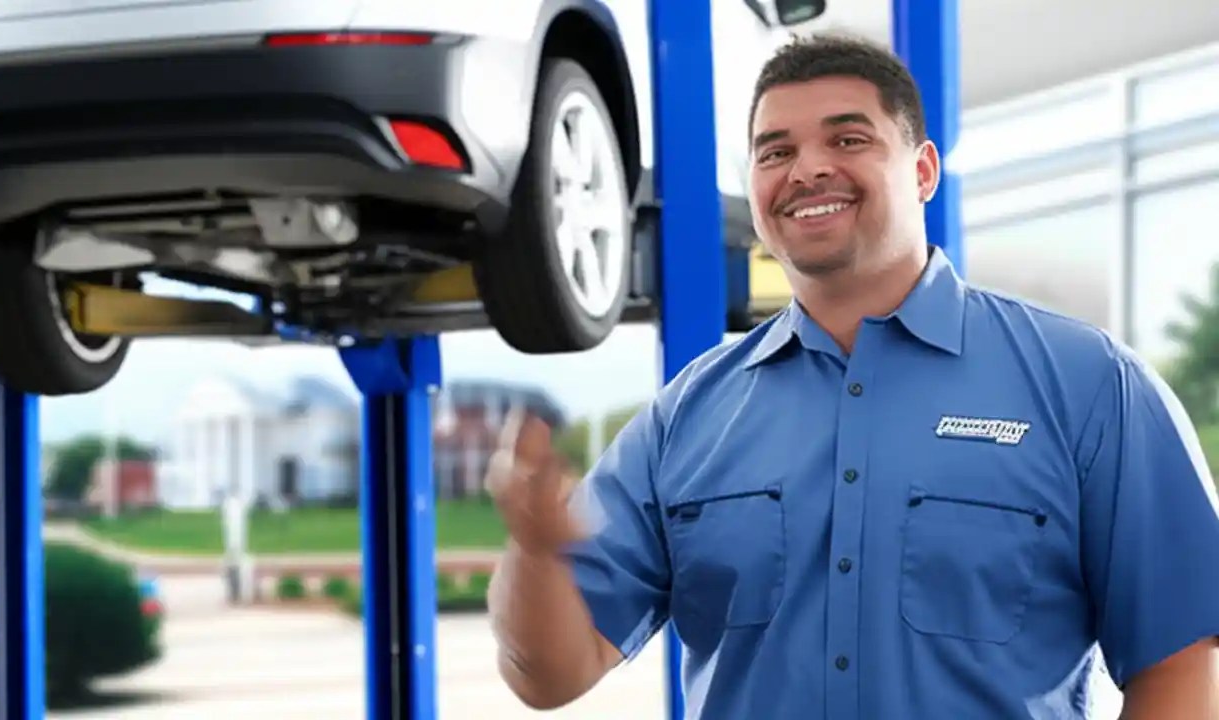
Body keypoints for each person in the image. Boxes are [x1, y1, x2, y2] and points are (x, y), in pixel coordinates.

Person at [485, 32, 1219, 719]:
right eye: (775, 152)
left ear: (924, 170)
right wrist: (534, 550)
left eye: (848, 138)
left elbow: (1179, 662)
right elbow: (548, 676)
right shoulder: (688, 417)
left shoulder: (1091, 386)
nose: (806, 169)